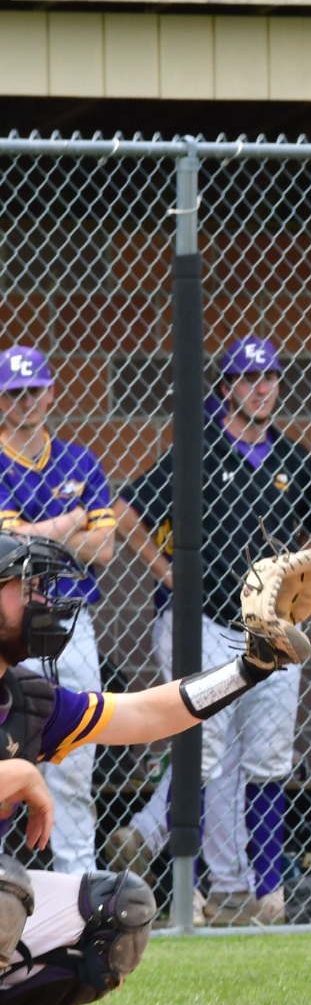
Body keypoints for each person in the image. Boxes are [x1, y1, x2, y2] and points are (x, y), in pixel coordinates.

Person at [0, 532, 311, 1005]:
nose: (43, 600)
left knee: (117, 913)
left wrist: (249, 668)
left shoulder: (26, 700)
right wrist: (15, 773)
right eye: (25, 588)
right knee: (4, 892)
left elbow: (145, 714)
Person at [117, 337, 311, 925]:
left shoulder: (292, 457)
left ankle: (268, 894)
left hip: (270, 628)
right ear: (225, 388)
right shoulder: (200, 447)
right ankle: (185, 884)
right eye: (248, 378)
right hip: (203, 622)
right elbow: (128, 512)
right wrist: (168, 572)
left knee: (268, 758)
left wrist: (296, 583)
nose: (261, 388)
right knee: (204, 749)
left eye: (270, 377)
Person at [0, 347, 118, 874]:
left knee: (77, 759)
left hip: (72, 620)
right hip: (10, 629)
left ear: (51, 393)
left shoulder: (79, 459)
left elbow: (106, 549)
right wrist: (72, 521)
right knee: (9, 751)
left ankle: (78, 878)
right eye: (14, 392)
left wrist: (33, 532)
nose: (26, 401)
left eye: (34, 390)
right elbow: (9, 547)